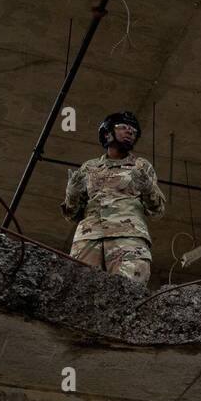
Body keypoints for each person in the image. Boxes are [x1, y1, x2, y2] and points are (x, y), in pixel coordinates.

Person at [61, 111, 165, 286]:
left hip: (128, 238)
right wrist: (72, 193)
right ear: (108, 132)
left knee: (127, 291)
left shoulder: (141, 166)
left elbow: (157, 211)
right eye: (124, 127)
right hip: (88, 239)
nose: (130, 132)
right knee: (79, 290)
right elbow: (71, 215)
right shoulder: (90, 167)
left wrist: (147, 189)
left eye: (133, 130)